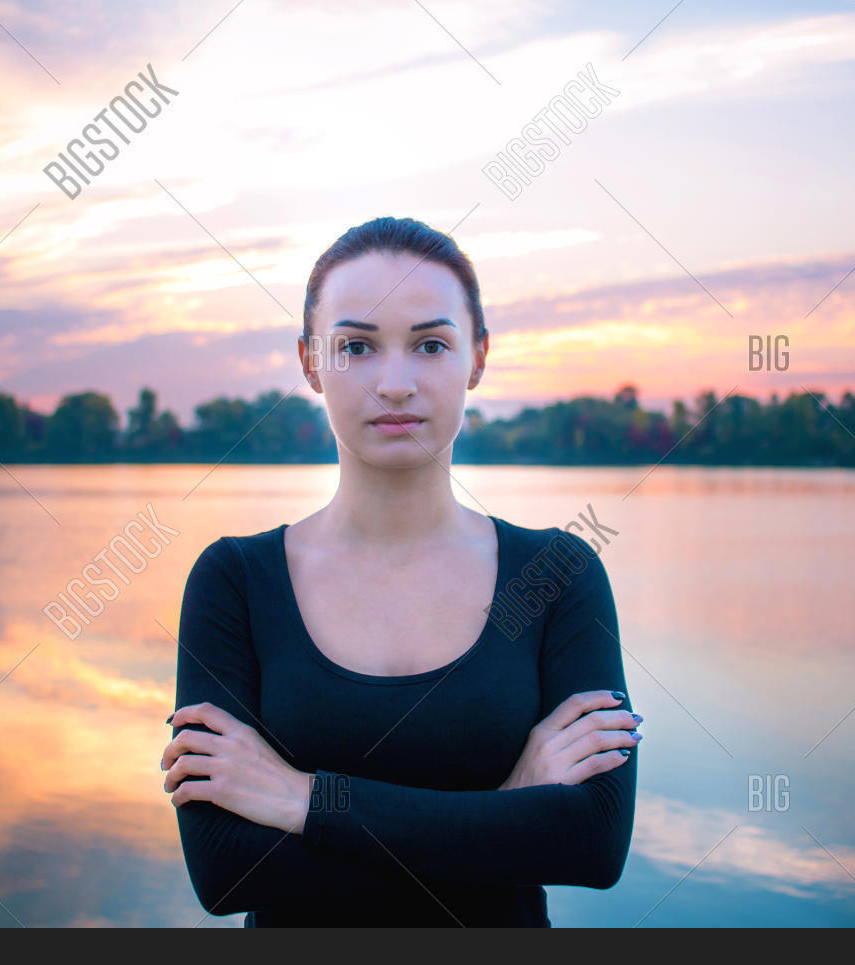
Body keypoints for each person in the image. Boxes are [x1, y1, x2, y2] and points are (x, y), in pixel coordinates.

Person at [161, 216, 640, 926]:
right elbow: (227, 873)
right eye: (356, 346)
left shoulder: (556, 575)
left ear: (478, 358)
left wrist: (301, 798)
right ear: (310, 362)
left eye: (430, 345)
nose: (394, 384)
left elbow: (593, 847)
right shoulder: (235, 581)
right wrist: (507, 814)